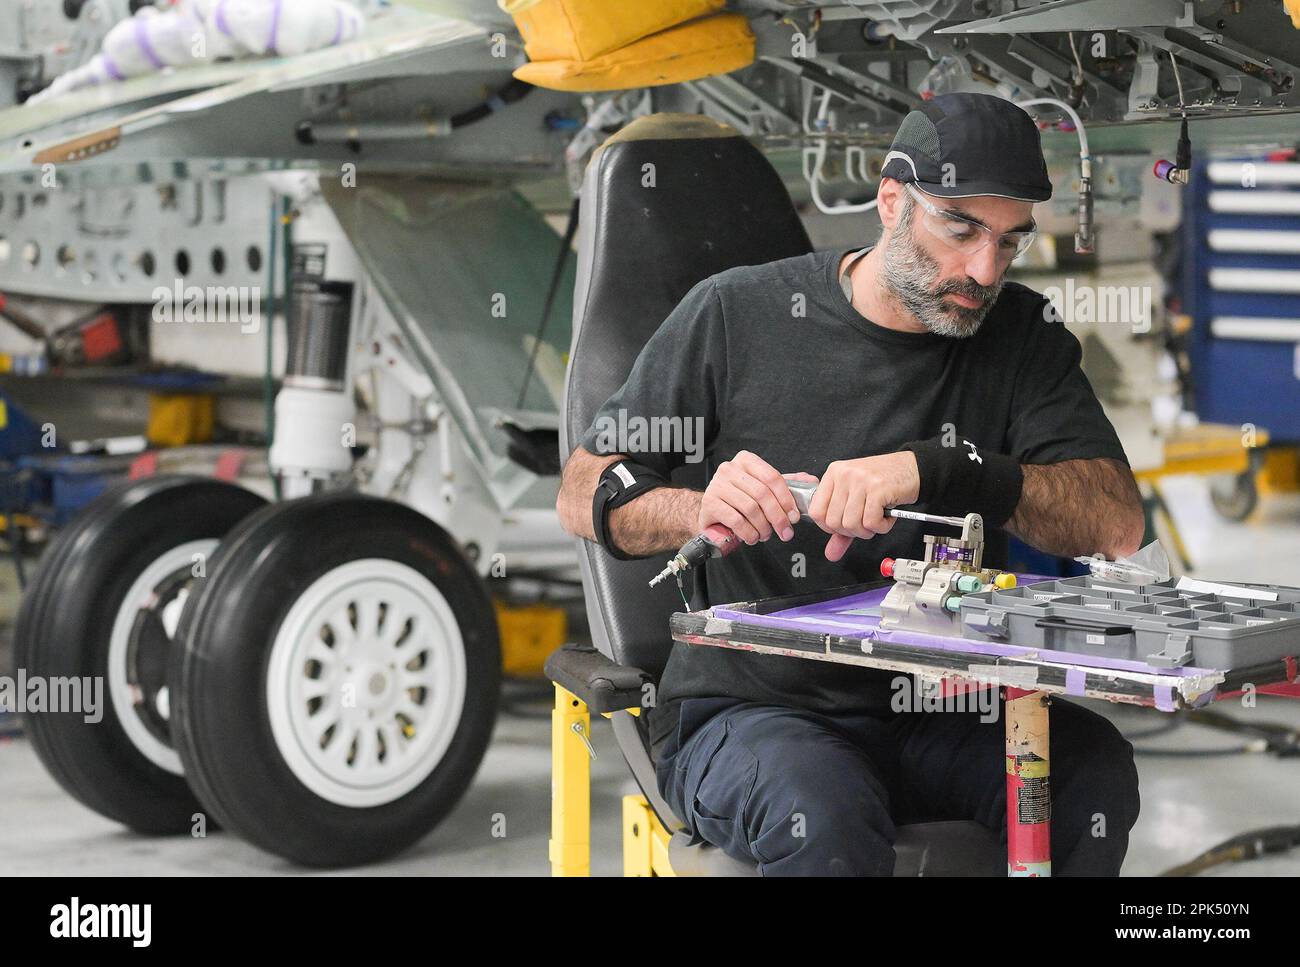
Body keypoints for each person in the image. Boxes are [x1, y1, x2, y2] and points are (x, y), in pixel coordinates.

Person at [556, 93, 1145, 876]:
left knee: (1090, 775)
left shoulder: (1018, 336)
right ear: (892, 201)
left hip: (948, 706)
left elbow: (1115, 524)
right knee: (825, 814)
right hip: (758, 710)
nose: (982, 269)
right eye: (960, 229)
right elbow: (581, 488)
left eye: (1009, 242)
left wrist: (951, 472)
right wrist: (703, 507)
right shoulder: (735, 313)